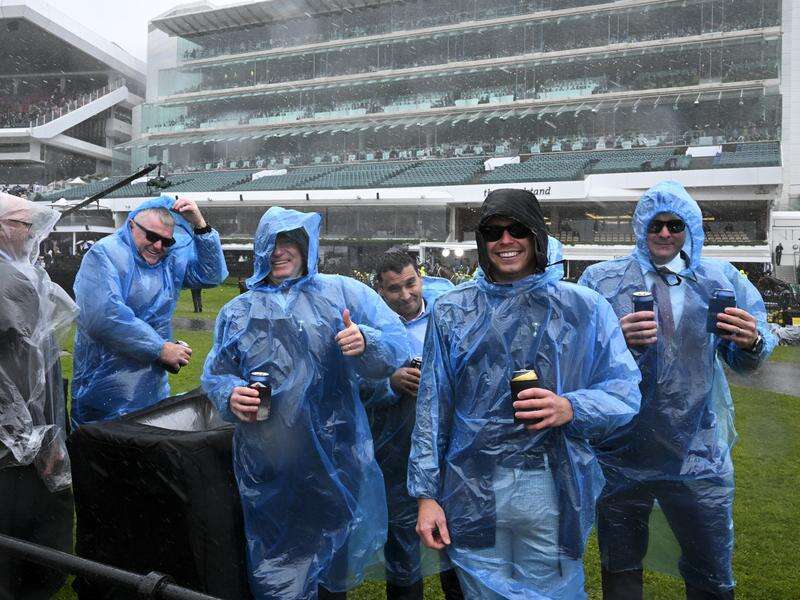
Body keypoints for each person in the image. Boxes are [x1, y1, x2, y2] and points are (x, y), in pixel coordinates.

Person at [407, 188, 642, 599]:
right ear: (482, 242)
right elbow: (433, 407)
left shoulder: (581, 307)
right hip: (471, 483)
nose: (506, 241)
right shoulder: (453, 311)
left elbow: (623, 391)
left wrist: (571, 406)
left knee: (551, 590)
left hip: (550, 478)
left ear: (537, 235)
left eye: (517, 229)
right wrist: (427, 494)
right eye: (493, 232)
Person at [579, 180, 776, 600]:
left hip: (697, 450)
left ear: (690, 228)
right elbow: (577, 364)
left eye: (675, 225)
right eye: (656, 225)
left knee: (710, 570)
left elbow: (747, 358)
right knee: (621, 568)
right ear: (640, 228)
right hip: (622, 450)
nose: (665, 234)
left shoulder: (718, 278)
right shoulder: (601, 280)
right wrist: (614, 339)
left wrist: (751, 341)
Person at [201, 207, 410, 600]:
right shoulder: (238, 311)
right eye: (273, 242)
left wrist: (367, 340)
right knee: (276, 569)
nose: (280, 252)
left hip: (336, 459)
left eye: (289, 241)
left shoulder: (342, 292)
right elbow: (216, 374)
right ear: (260, 248)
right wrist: (230, 394)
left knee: (333, 574)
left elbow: (396, 345)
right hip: (269, 467)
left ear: (305, 245)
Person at [71, 195, 227, 425]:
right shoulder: (105, 254)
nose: (158, 246)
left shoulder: (167, 261)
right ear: (132, 224)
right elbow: (103, 316)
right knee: (104, 452)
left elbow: (210, 275)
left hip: (152, 383)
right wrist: (160, 348)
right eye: (152, 236)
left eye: (167, 241)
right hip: (103, 387)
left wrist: (201, 226)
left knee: (148, 449)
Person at [361, 249, 463, 600]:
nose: (405, 295)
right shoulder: (369, 328)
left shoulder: (446, 315)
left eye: (410, 284)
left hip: (448, 444)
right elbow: (352, 385)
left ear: (420, 277)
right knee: (402, 541)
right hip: (395, 452)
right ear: (379, 289)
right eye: (394, 289)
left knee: (456, 536)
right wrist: (389, 383)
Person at [0, 193, 78, 599]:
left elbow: (42, 356)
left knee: (36, 504)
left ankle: (35, 578)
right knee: (16, 509)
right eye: (21, 224)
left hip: (34, 413)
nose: (31, 233)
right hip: (12, 427)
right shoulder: (11, 278)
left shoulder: (26, 272)